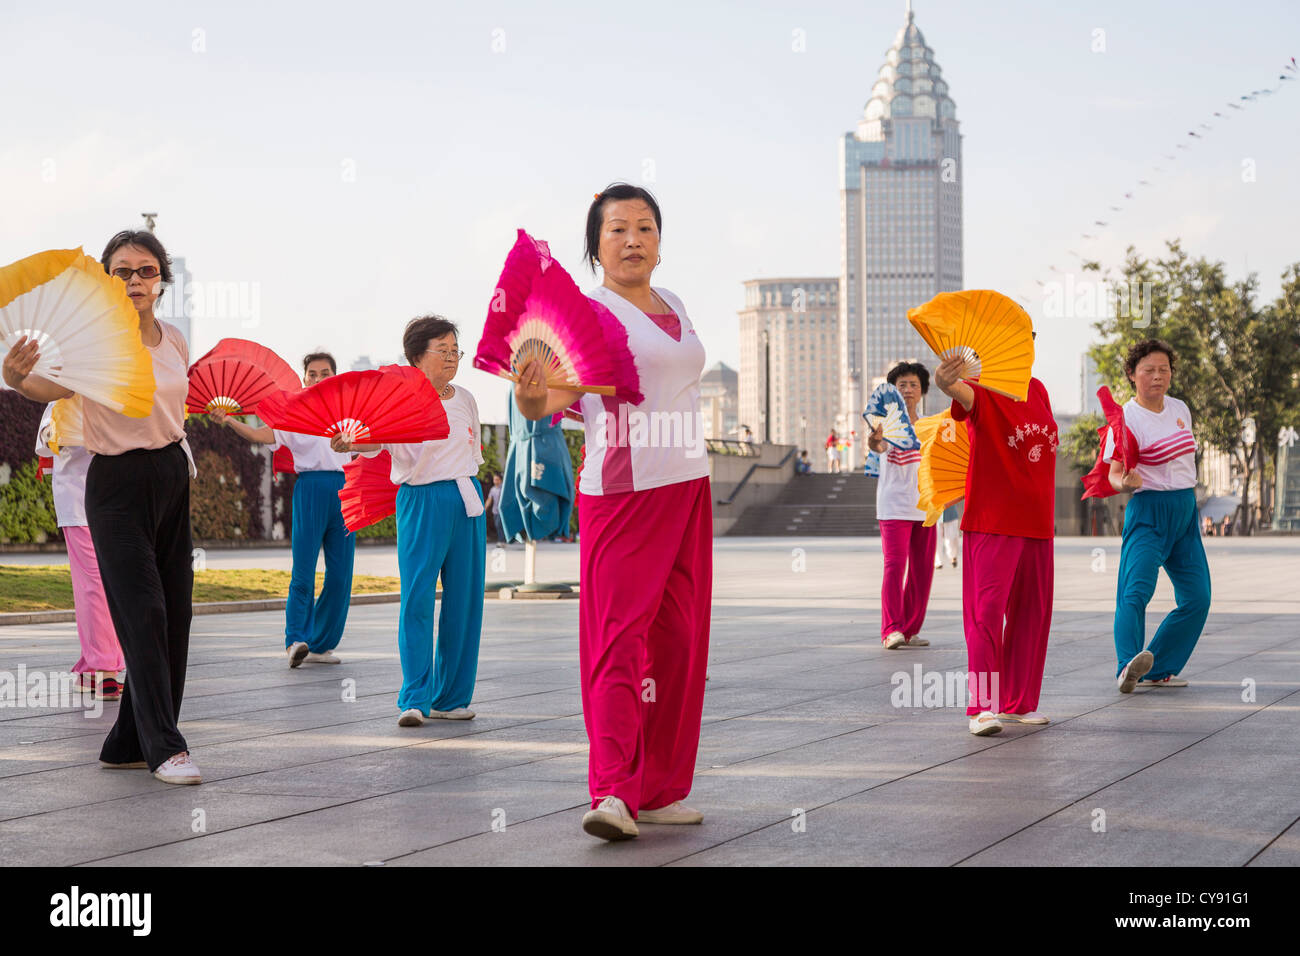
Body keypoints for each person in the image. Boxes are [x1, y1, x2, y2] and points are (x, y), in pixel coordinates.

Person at [515, 183, 711, 842]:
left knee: (678, 642)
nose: (633, 239)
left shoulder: (673, 303)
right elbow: (546, 405)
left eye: (646, 228)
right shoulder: (588, 316)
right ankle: (614, 791)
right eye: (618, 229)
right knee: (618, 642)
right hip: (625, 494)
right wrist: (531, 389)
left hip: (688, 482)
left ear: (660, 240)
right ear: (595, 245)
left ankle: (659, 788)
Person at [3, 230, 201, 784]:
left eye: (146, 270)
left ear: (162, 280)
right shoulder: (93, 340)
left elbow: (179, 410)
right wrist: (16, 380)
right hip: (112, 482)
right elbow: (49, 387)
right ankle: (167, 747)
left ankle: (127, 742)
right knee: (144, 612)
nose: (135, 280)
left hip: (170, 478)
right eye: (122, 271)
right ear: (107, 278)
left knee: (176, 616)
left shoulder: (175, 340)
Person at [333, 316, 485, 727]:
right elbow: (374, 439)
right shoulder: (398, 398)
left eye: (456, 351)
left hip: (467, 501)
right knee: (417, 598)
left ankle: (451, 697)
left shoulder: (466, 398)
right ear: (417, 357)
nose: (453, 358)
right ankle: (415, 697)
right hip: (422, 500)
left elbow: (475, 450)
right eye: (444, 351)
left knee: (465, 602)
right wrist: (351, 442)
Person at [935, 345, 1057, 736]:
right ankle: (982, 707)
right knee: (986, 614)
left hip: (1038, 521)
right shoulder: (980, 388)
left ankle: (1019, 703)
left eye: (1027, 338)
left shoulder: (1038, 390)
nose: (1024, 346)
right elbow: (956, 391)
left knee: (1031, 615)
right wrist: (945, 381)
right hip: (992, 519)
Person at [211, 353, 355, 668]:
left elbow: (375, 442)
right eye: (312, 374)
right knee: (303, 569)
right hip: (310, 489)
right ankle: (296, 640)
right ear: (304, 379)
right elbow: (262, 435)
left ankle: (321, 643)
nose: (318, 379)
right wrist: (231, 420)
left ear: (335, 375)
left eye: (325, 373)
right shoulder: (295, 411)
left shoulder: (351, 412)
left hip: (346, 491)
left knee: (341, 575)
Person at [1107, 340, 1210, 693]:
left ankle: (1159, 666)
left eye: (1163, 369)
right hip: (1148, 510)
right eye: (1148, 370)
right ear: (1133, 375)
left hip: (1184, 511)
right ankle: (1126, 667)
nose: (1157, 376)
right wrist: (1126, 482)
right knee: (1135, 592)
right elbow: (1113, 474)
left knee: (1198, 597)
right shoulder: (1125, 418)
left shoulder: (1180, 407)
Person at [35, 399, 125, 699]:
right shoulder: (59, 399)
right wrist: (63, 433)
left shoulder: (114, 394)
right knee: (95, 586)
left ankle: (89, 669)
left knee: (103, 584)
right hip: (78, 504)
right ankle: (105, 671)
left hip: (115, 502)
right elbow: (46, 441)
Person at [868, 361, 935, 649]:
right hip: (894, 505)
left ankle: (909, 629)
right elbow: (878, 446)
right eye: (902, 385)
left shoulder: (930, 424)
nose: (908, 390)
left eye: (914, 385)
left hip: (925, 506)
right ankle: (891, 629)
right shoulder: (887, 423)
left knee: (922, 571)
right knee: (895, 566)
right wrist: (875, 441)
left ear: (922, 391)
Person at [935, 500, 962, 570]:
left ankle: (953, 556)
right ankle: (938, 561)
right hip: (935, 511)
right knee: (936, 539)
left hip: (950, 510)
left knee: (952, 537)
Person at [487, 472, 507, 544]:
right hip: (495, 511)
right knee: (497, 525)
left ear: (501, 480)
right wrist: (485, 508)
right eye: (494, 480)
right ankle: (503, 539)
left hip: (502, 511)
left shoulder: (504, 489)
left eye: (497, 480)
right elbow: (489, 499)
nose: (495, 481)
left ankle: (501, 540)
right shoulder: (493, 489)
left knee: (499, 524)